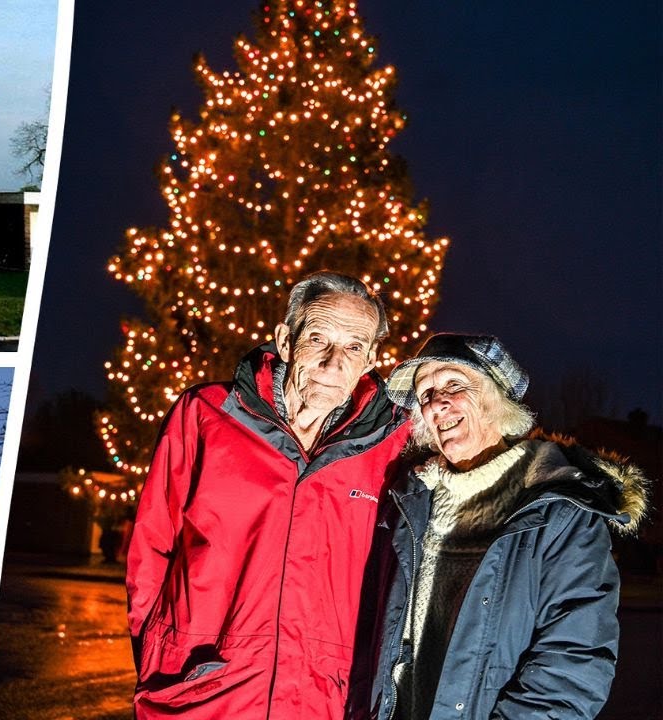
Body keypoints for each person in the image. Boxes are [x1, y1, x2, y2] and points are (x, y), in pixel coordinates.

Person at [127, 271, 411, 719]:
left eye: (355, 346)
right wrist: (157, 656)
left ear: (372, 357)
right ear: (285, 339)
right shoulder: (206, 414)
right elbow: (151, 545)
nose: (334, 362)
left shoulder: (395, 443)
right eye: (318, 339)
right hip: (200, 689)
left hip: (324, 698)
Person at [361, 333, 649, 719]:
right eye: (425, 394)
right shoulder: (409, 500)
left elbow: (575, 661)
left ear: (496, 400)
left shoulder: (557, 509)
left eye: (453, 384)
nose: (437, 403)